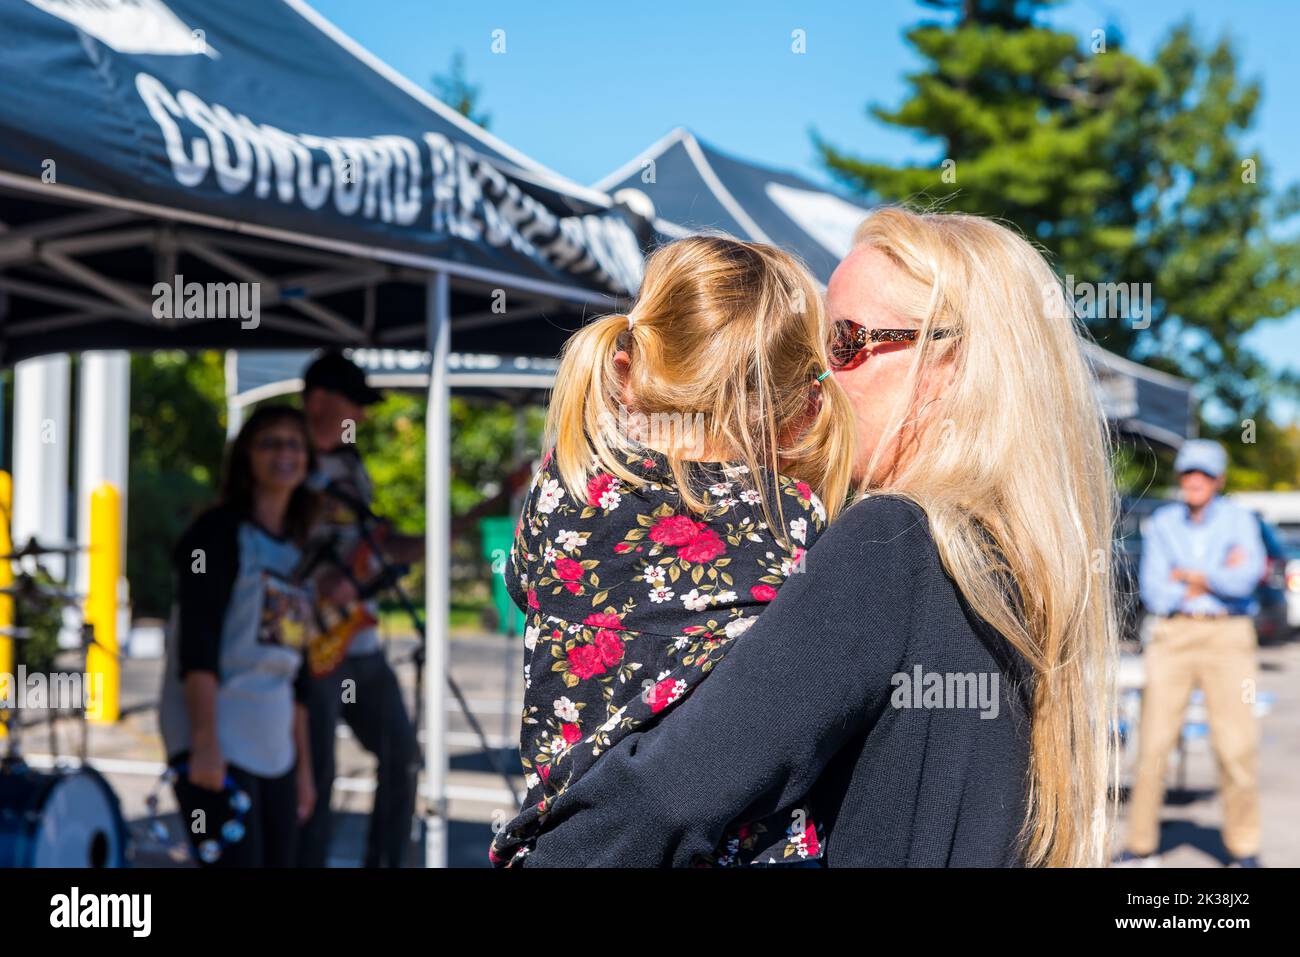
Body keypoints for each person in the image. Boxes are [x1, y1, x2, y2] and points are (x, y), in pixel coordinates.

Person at [522, 207, 1119, 868]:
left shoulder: (892, 543)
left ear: (950, 364)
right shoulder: (1004, 567)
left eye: (845, 342)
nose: (819, 379)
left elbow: (664, 799)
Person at [489, 236, 857, 867]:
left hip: (562, 839)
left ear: (625, 371)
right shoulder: (795, 516)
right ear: (804, 407)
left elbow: (523, 584)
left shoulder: (566, 481)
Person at [159, 405, 319, 867]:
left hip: (276, 744)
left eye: (294, 443)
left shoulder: (299, 548)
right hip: (218, 734)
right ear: (245, 455)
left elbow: (299, 675)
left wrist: (304, 772)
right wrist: (205, 744)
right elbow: (198, 648)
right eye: (270, 442)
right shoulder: (215, 535)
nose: (284, 453)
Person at [295, 351, 423, 868]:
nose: (364, 417)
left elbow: (369, 545)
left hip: (361, 643)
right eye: (356, 404)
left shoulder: (352, 465)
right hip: (306, 645)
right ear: (319, 401)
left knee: (402, 755)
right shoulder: (284, 455)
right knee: (314, 778)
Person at [1117, 439, 1265, 867]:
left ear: (1218, 480)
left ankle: (1243, 848)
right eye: (1188, 473)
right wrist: (1217, 575)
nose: (1194, 481)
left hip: (1228, 638)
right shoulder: (1164, 522)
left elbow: (1245, 581)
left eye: (1203, 474)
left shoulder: (1240, 520)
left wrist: (1190, 575)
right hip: (1174, 635)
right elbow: (1156, 590)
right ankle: (1140, 846)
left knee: (1236, 748)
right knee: (1153, 745)